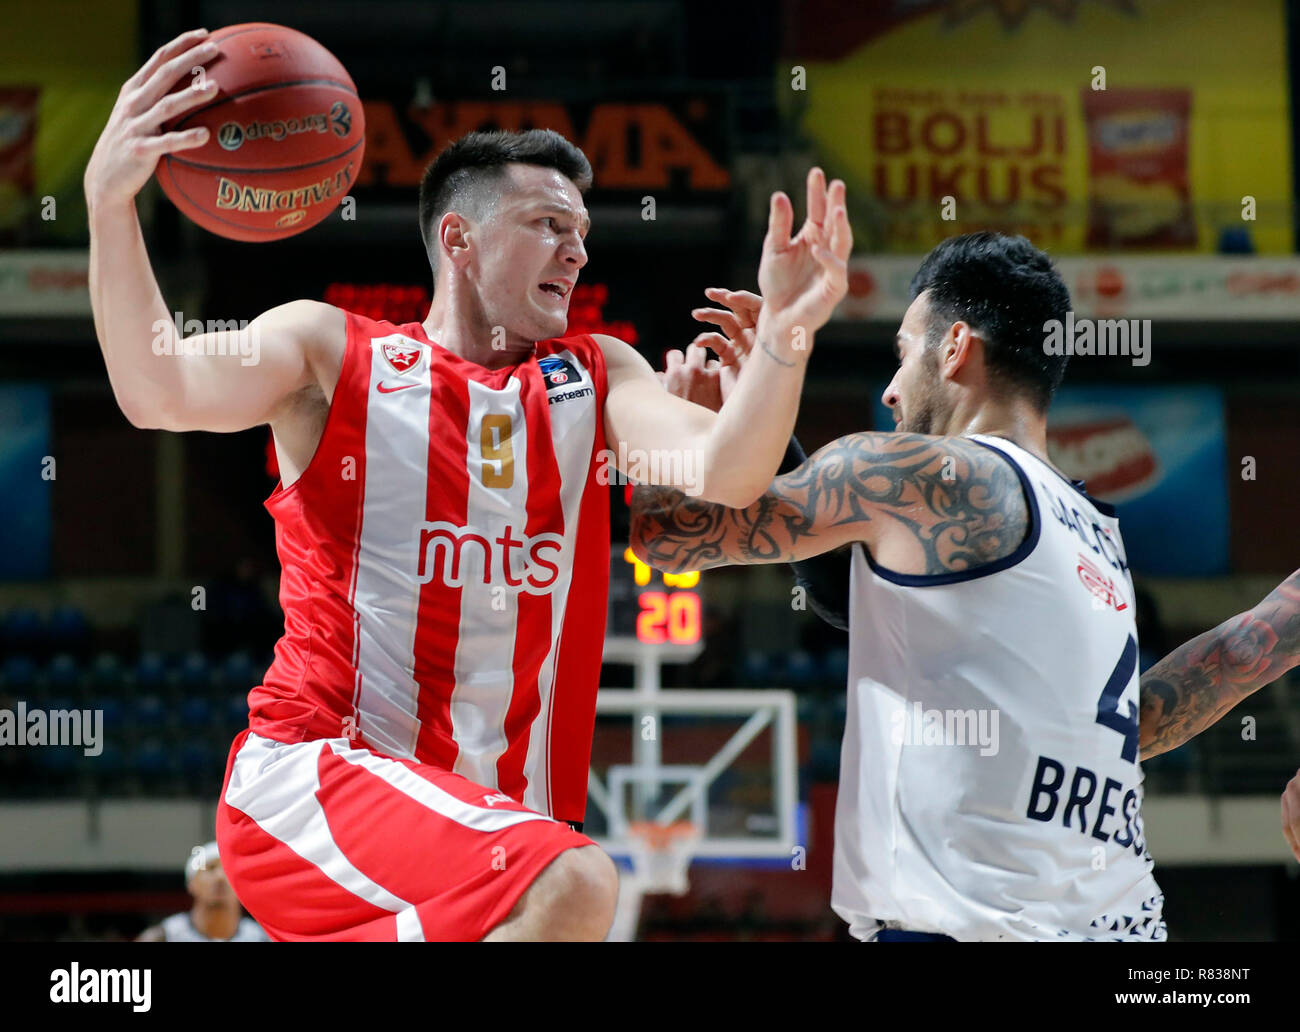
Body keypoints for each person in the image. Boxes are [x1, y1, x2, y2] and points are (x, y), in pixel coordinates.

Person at [84, 28, 851, 941]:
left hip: (483, 823)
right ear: (459, 239)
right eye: (548, 226)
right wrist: (108, 203)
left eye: (584, 233)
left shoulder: (594, 373)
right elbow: (156, 387)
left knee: (565, 883)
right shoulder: (331, 351)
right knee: (575, 884)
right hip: (314, 782)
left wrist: (787, 339)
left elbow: (729, 467)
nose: (576, 253)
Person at [632, 231, 1300, 941]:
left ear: (954, 348)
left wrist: (683, 432)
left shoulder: (925, 473)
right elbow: (1213, 671)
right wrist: (769, 441)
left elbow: (668, 537)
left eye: (901, 352)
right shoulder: (1090, 531)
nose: (890, 387)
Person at [137, 842, 267, 942]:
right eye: (210, 868)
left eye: (228, 869)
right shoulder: (161, 937)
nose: (220, 877)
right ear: (191, 884)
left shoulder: (262, 938)